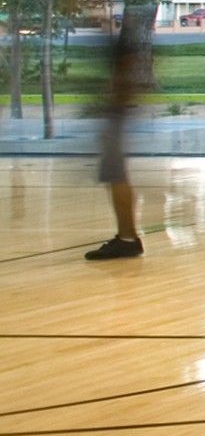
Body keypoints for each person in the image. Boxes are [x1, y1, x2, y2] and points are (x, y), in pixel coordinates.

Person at [85, 22, 147, 262]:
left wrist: (111, 109)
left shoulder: (122, 52)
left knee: (116, 175)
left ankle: (128, 238)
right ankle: (127, 236)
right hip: (116, 115)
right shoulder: (117, 45)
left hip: (116, 116)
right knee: (115, 175)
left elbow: (124, 80)